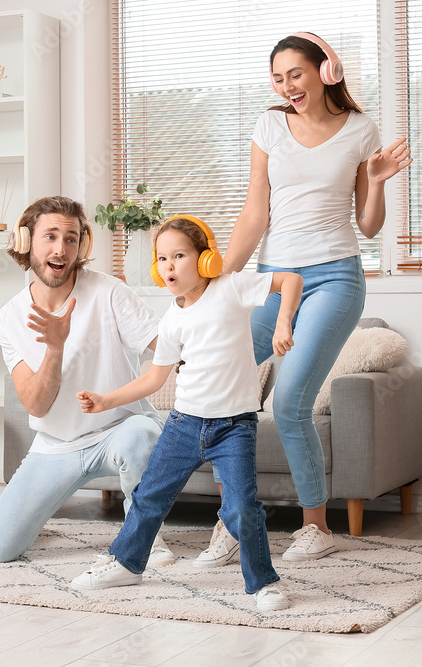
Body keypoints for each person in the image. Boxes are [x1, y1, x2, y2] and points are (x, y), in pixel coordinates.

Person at [198, 32, 413, 566]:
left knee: (289, 402)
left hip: (335, 278)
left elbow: (368, 226)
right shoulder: (270, 126)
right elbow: (255, 212)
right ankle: (232, 521)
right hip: (272, 279)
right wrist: (221, 280)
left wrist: (378, 182)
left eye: (295, 74)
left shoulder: (360, 129)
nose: (287, 86)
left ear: (326, 71)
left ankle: (316, 527)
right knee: (221, 384)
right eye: (277, 78)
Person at [70, 215, 303, 611]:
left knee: (241, 508)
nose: (169, 266)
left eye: (179, 256)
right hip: (184, 425)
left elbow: (291, 280)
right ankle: (126, 564)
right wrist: (106, 400)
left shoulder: (230, 287)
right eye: (162, 259)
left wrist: (283, 323)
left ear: (205, 258)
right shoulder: (171, 320)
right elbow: (154, 378)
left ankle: (263, 583)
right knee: (148, 496)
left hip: (234, 427)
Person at [0, 195, 173, 566]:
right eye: (50, 236)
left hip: (120, 430)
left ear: (82, 245)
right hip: (57, 445)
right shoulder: (9, 318)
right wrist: (55, 347)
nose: (61, 249)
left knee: (143, 434)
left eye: (71, 238)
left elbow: (169, 346)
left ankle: (145, 537)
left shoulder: (109, 292)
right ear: (26, 241)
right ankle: (3, 515)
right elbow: (36, 405)